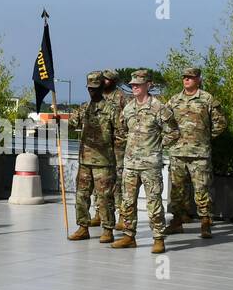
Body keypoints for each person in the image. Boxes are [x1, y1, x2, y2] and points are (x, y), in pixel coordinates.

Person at [112, 69, 178, 254]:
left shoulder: (159, 107)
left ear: (148, 85)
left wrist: (158, 145)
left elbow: (174, 132)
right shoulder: (128, 108)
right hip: (130, 164)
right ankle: (128, 236)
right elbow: (121, 131)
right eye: (132, 85)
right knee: (127, 202)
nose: (134, 87)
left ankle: (158, 238)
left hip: (150, 165)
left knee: (154, 202)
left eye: (138, 84)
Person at [165, 66, 227, 239]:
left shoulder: (207, 99)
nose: (187, 80)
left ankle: (205, 223)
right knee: (177, 190)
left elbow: (220, 123)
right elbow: (164, 120)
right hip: (177, 152)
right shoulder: (174, 100)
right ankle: (176, 222)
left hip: (199, 154)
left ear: (198, 79)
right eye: (185, 77)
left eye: (190, 77)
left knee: (202, 190)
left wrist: (205, 138)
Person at [67, 71, 120, 243]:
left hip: (104, 162)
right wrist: (57, 120)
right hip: (85, 161)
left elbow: (121, 135)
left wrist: (116, 156)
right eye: (89, 88)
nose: (92, 92)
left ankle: (108, 229)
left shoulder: (112, 110)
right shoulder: (84, 108)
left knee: (104, 197)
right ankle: (83, 227)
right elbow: (71, 124)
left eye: (95, 88)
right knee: (81, 195)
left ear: (102, 87)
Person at [94, 68, 127, 225]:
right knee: (99, 180)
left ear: (113, 81)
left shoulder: (121, 97)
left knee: (118, 180)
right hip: (100, 146)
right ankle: (99, 213)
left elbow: (126, 120)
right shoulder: (97, 95)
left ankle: (122, 214)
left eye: (106, 79)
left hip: (117, 146)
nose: (103, 81)